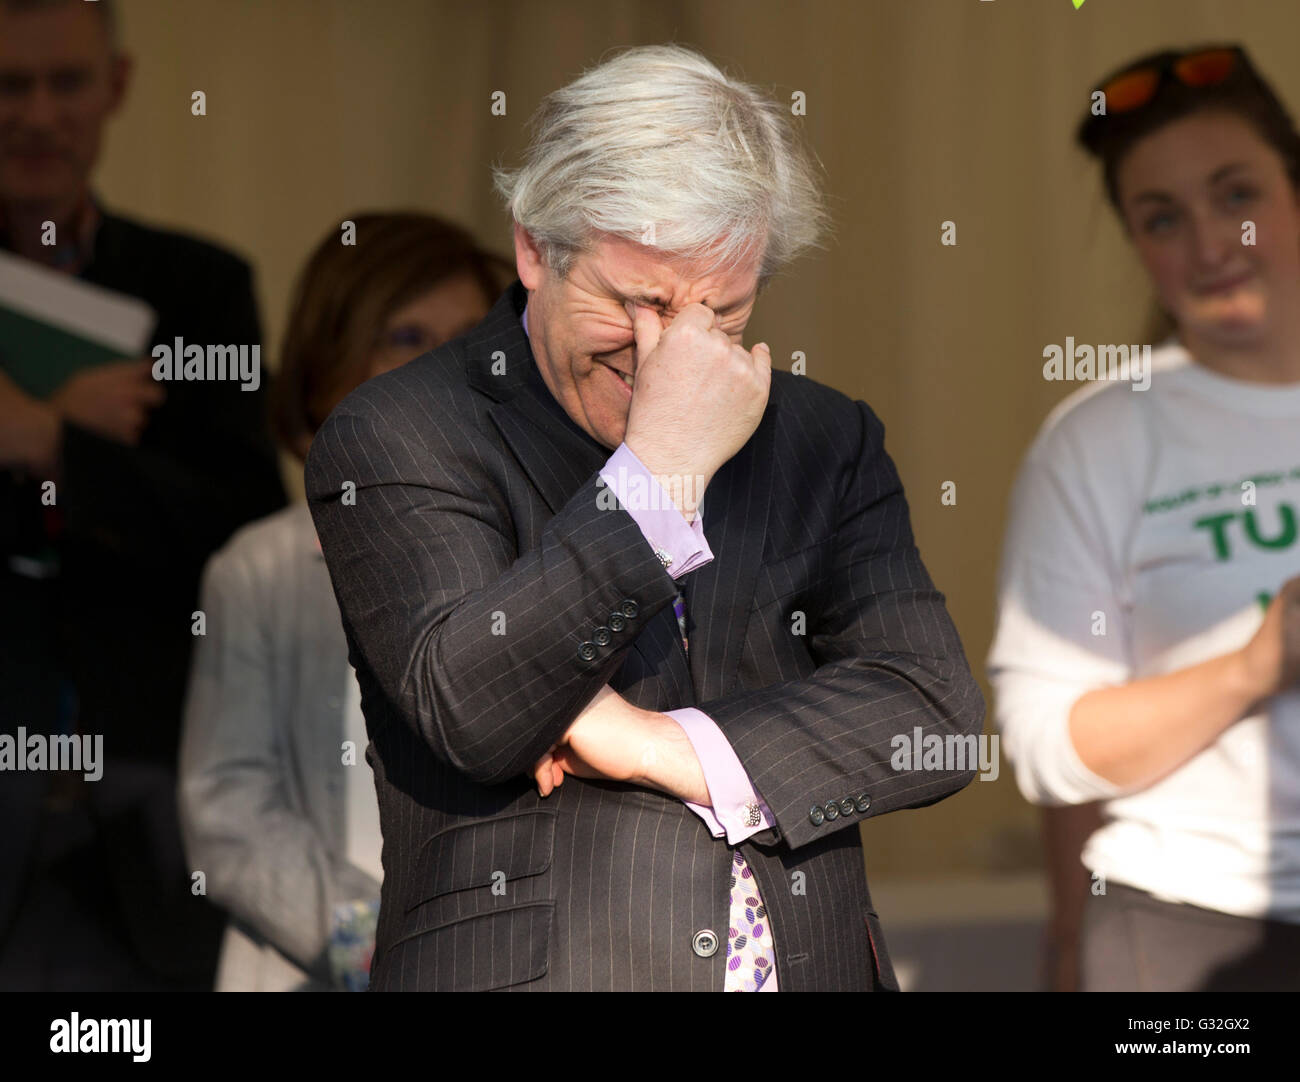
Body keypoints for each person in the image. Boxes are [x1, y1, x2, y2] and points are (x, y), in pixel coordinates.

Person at [305, 43, 984, 992]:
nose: (672, 353)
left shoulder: (823, 438)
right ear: (536, 249)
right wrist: (660, 471)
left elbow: (935, 713)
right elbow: (470, 708)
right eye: (639, 302)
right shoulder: (404, 430)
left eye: (724, 310)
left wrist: (659, 745)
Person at [989, 44, 1300, 992]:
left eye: (1236, 194)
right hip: (1183, 926)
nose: (1209, 245)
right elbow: (1046, 748)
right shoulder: (1099, 439)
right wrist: (1257, 661)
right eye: (1162, 218)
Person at [0, 0, 286, 988]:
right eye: (9, 85)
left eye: (65, 82)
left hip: (147, 819)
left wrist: (45, 436)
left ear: (114, 88)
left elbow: (240, 525)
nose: (38, 113)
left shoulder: (196, 287)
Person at [178, 213, 505, 991]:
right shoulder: (263, 569)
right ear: (327, 372)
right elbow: (229, 817)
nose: (444, 368)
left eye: (470, 338)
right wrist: (389, 950)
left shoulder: (544, 552)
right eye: (406, 337)